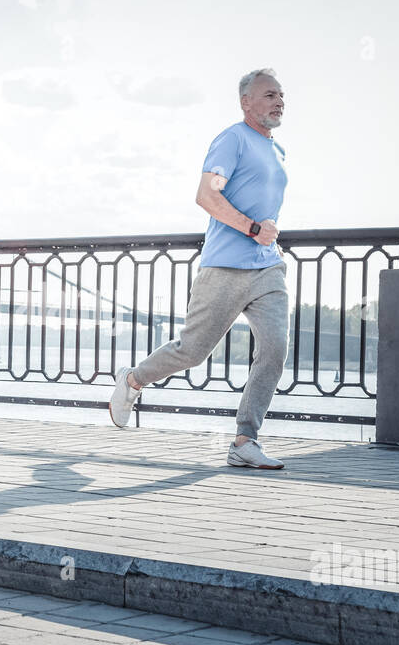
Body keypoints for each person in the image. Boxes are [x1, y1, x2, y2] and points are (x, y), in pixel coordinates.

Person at [109, 68, 290, 469]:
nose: (279, 101)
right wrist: (253, 228)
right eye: (269, 95)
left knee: (275, 349)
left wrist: (267, 237)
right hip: (225, 267)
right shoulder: (232, 139)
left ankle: (245, 439)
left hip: (267, 267)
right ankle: (133, 379)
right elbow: (207, 196)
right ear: (246, 102)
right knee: (192, 351)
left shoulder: (277, 150)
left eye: (281, 95)